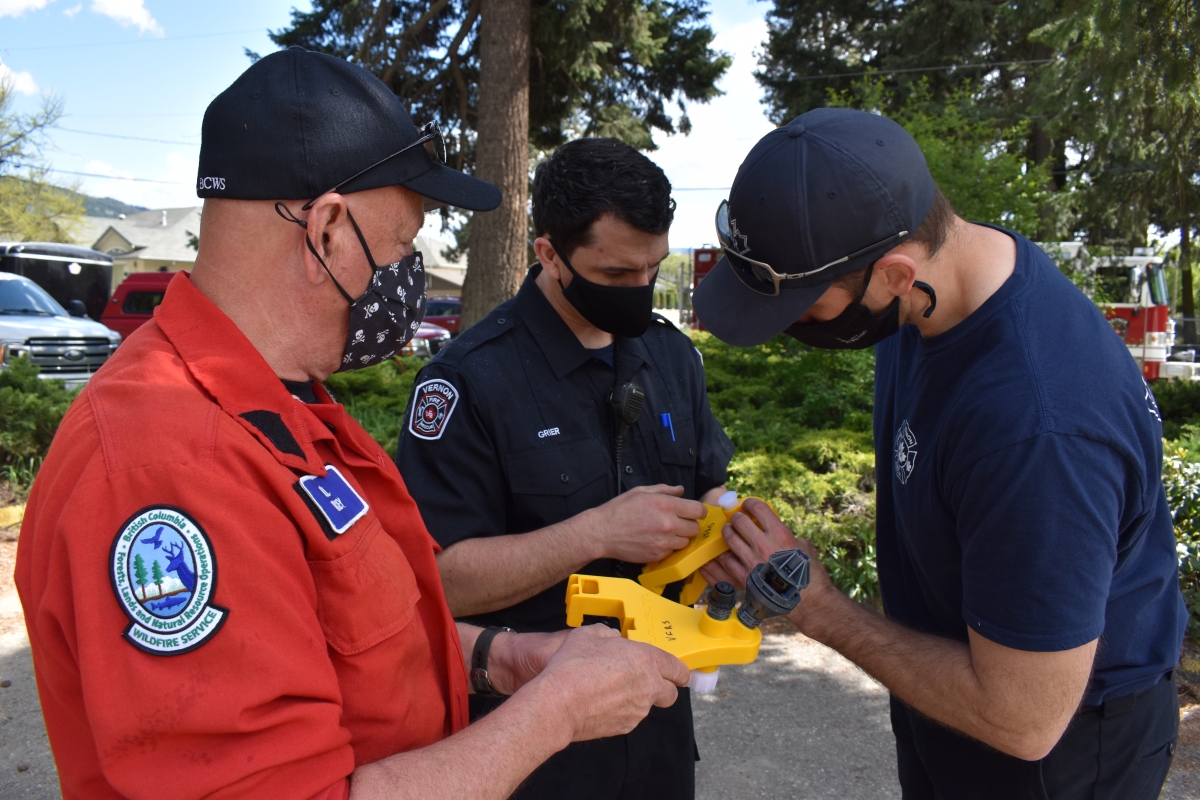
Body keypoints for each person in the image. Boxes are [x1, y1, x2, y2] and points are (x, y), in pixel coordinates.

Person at [14, 47, 691, 800]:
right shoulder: (169, 464)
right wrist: (556, 712)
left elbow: (348, 638)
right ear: (329, 229)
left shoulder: (284, 410)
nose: (406, 275)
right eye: (402, 245)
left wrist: (502, 659)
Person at [691, 107, 1187, 800]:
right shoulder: (933, 293)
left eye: (804, 307)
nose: (791, 330)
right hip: (954, 693)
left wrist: (819, 608)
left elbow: (1023, 719)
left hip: (1057, 751)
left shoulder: (1038, 426)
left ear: (895, 273)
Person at [395, 137, 734, 799]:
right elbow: (435, 584)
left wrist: (731, 533)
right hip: (528, 753)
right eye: (615, 275)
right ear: (548, 253)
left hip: (657, 734)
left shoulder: (671, 358)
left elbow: (710, 490)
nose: (640, 290)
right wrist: (595, 535)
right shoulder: (467, 382)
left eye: (652, 268)